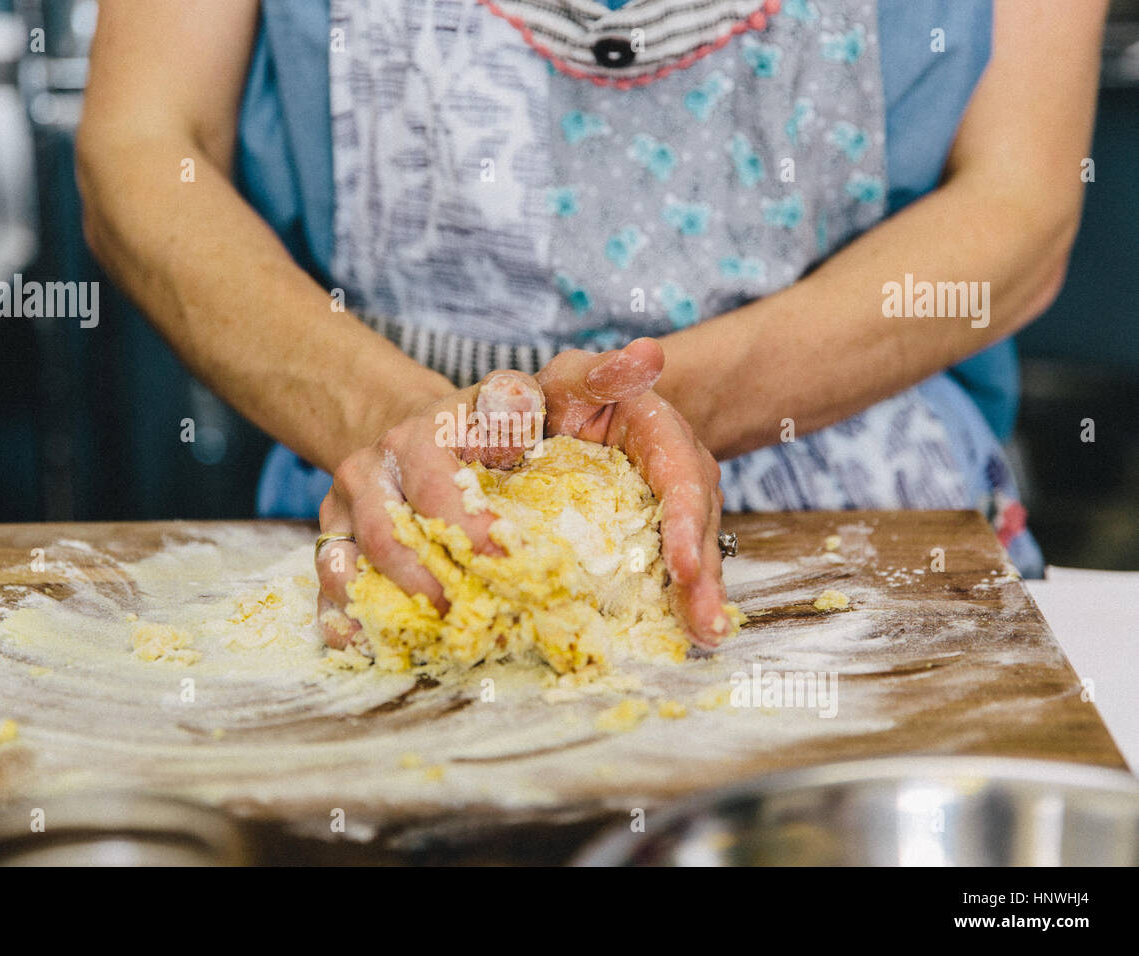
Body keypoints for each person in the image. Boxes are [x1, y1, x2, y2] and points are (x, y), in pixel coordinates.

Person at [77, 0, 1106, 648]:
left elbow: (1020, 201)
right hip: (399, 507)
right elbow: (145, 144)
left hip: (866, 531)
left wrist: (661, 404)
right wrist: (403, 420)